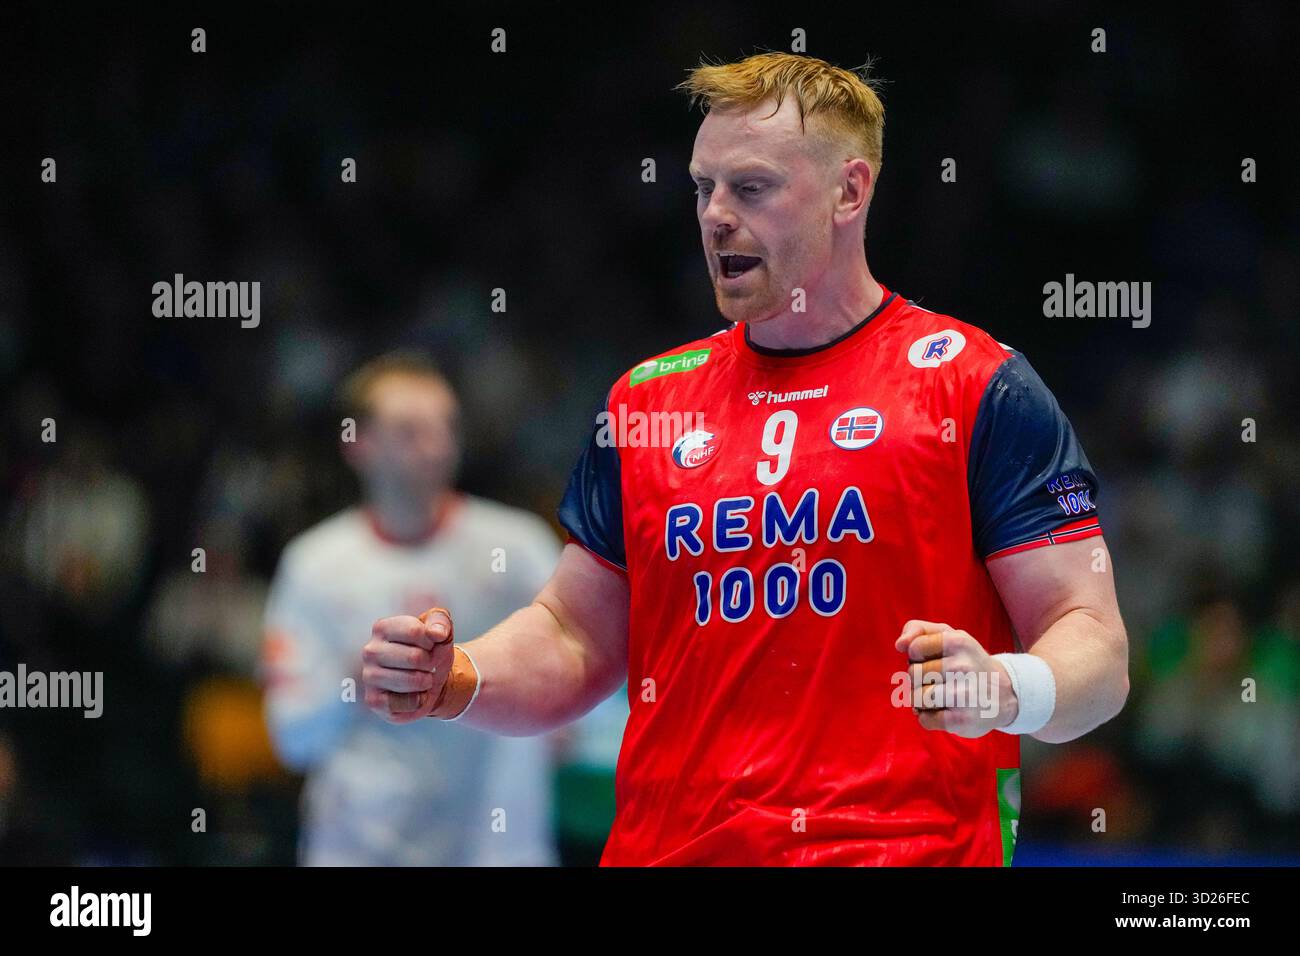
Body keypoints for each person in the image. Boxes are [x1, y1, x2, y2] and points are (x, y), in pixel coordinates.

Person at [362, 53, 1130, 866]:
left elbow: (1096, 648)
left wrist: (1009, 688)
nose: (715, 216)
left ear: (850, 191)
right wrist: (459, 679)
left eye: (751, 188)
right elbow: (574, 635)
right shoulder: (644, 405)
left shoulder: (975, 385)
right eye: (702, 188)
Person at [262, 352, 560, 865]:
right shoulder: (312, 565)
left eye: (446, 427)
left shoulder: (519, 551)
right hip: (358, 849)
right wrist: (366, 673)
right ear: (357, 443)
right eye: (409, 430)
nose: (437, 447)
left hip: (496, 848)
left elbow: (582, 686)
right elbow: (293, 736)